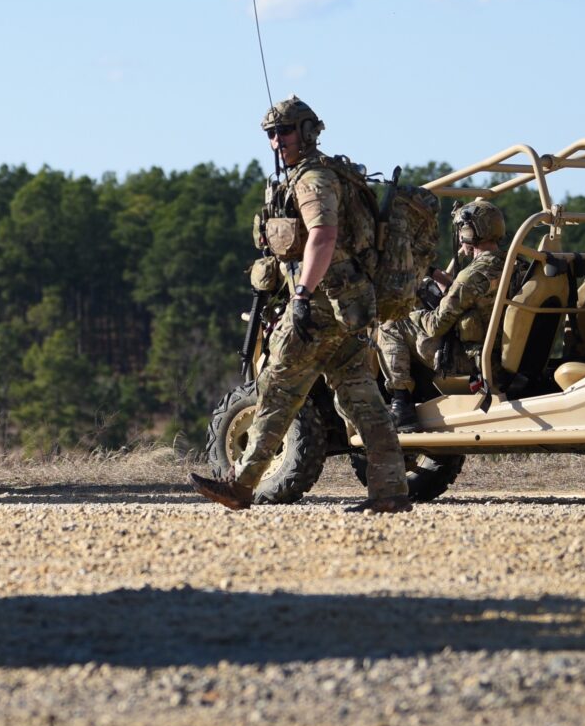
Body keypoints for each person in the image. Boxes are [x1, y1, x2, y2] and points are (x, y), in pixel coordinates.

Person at [189, 97, 411, 513]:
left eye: (285, 131)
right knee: (362, 398)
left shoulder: (312, 179)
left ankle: (241, 484)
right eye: (271, 134)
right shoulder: (326, 173)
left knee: (277, 387)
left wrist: (303, 295)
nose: (277, 141)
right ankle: (391, 492)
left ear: (308, 131)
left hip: (322, 304)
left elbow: (323, 235)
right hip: (351, 306)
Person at [374, 197, 508, 424]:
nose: (459, 237)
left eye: (461, 230)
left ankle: (401, 404)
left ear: (471, 232)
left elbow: (436, 325)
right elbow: (477, 300)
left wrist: (410, 311)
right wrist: (441, 279)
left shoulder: (471, 276)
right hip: (496, 354)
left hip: (469, 360)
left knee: (391, 322)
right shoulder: (512, 263)